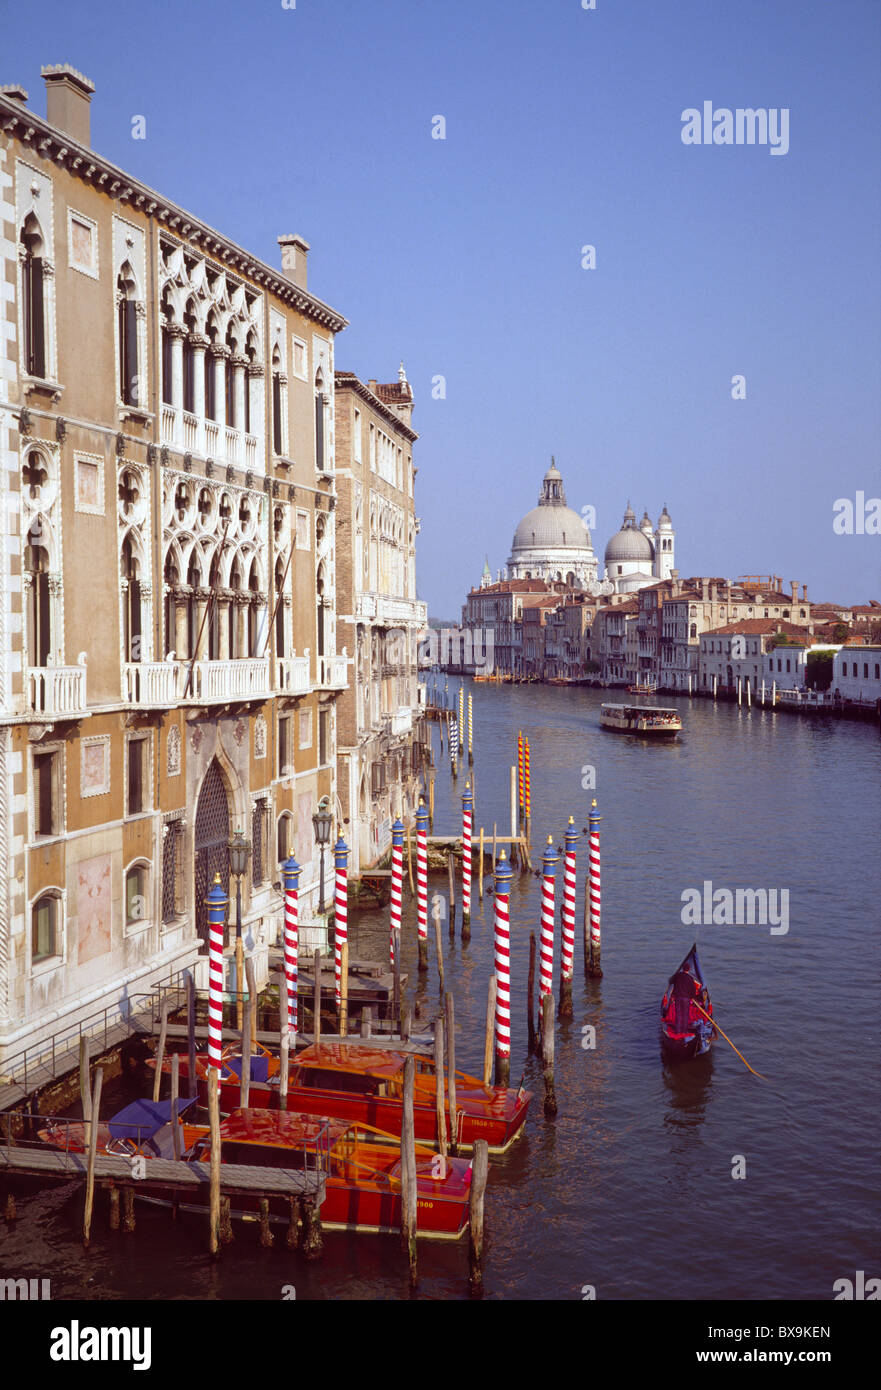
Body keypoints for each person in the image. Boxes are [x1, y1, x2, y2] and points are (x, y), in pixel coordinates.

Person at [671, 965, 699, 1034]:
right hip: (686, 998)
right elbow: (693, 989)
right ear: (689, 969)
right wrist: (692, 997)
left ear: (682, 969)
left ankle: (677, 1031)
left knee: (678, 1014)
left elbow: (670, 981)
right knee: (685, 1015)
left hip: (678, 998)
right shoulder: (690, 978)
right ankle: (684, 1031)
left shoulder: (677, 976)